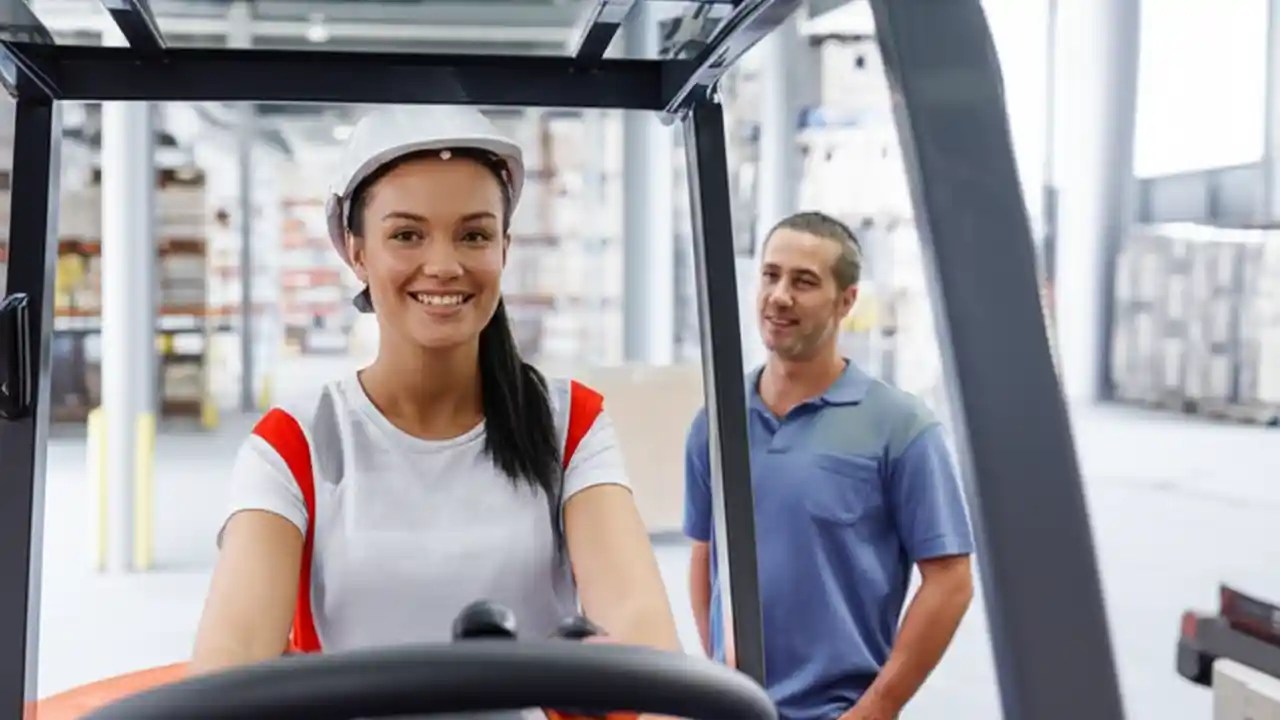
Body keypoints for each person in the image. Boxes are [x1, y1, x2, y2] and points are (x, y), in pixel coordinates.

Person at [193, 106, 681, 680]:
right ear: (357, 252)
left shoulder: (567, 423)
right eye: (406, 235)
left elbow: (636, 621)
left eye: (473, 235)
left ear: (504, 247)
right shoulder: (295, 446)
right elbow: (232, 657)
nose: (444, 265)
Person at [683, 211, 975, 720]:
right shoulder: (716, 421)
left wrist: (879, 707)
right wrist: (720, 677)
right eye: (771, 275)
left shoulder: (900, 428)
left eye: (804, 282)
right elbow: (706, 556)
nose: (779, 296)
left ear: (846, 301)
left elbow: (951, 580)